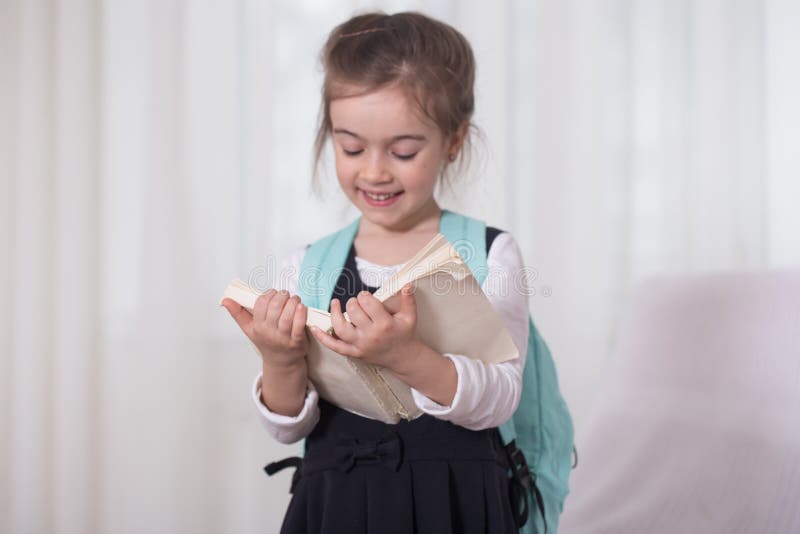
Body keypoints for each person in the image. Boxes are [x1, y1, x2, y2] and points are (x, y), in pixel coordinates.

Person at [222, 11, 562, 533]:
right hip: (336, 507)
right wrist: (281, 358)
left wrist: (407, 357)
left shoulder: (491, 253)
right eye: (351, 147)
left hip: (457, 506)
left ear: (453, 140)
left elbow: (499, 398)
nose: (375, 170)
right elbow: (289, 427)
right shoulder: (307, 267)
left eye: (403, 151)